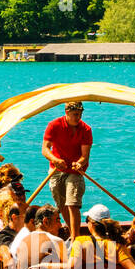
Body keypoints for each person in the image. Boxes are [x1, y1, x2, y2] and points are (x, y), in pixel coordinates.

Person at [42, 100, 92, 235]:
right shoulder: (54, 125)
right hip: (57, 169)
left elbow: (85, 156)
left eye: (80, 114)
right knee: (61, 204)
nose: (78, 117)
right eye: (75, 114)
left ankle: (76, 239)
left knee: (72, 203)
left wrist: (80, 163)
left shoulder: (86, 129)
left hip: (75, 171)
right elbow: (45, 149)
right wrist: (55, 159)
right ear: (67, 113)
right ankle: (72, 233)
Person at [12, 204, 65, 269]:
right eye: (57, 220)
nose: (60, 225)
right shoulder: (56, 241)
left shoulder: (23, 241)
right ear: (45, 221)